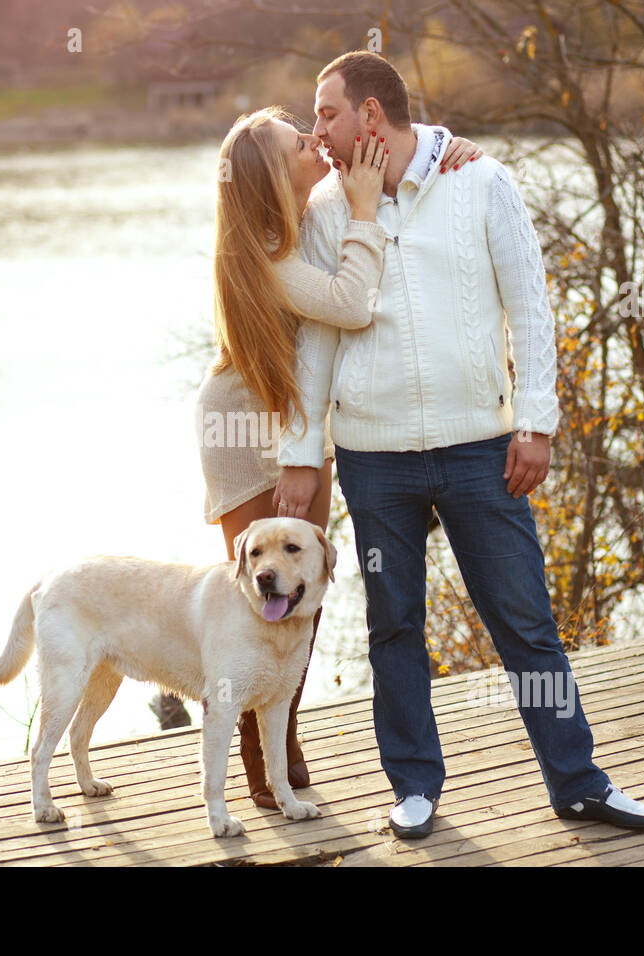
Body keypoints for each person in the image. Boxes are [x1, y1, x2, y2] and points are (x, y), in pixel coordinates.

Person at [273, 52, 644, 838]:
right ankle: (414, 786)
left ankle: (580, 783)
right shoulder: (323, 208)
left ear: (371, 117)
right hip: (373, 458)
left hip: (481, 449)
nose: (317, 129)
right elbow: (316, 341)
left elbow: (532, 308)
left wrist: (536, 423)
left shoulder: (481, 183)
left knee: (526, 623)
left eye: (326, 114)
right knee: (394, 625)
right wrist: (299, 449)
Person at [195, 105, 480, 809]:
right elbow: (353, 303)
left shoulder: (307, 212)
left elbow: (387, 153)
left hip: (298, 428)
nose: (314, 141)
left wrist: (446, 148)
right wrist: (360, 210)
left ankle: (281, 732)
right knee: (254, 596)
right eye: (299, 141)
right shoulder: (262, 247)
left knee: (304, 593)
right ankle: (257, 761)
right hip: (240, 423)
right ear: (271, 171)